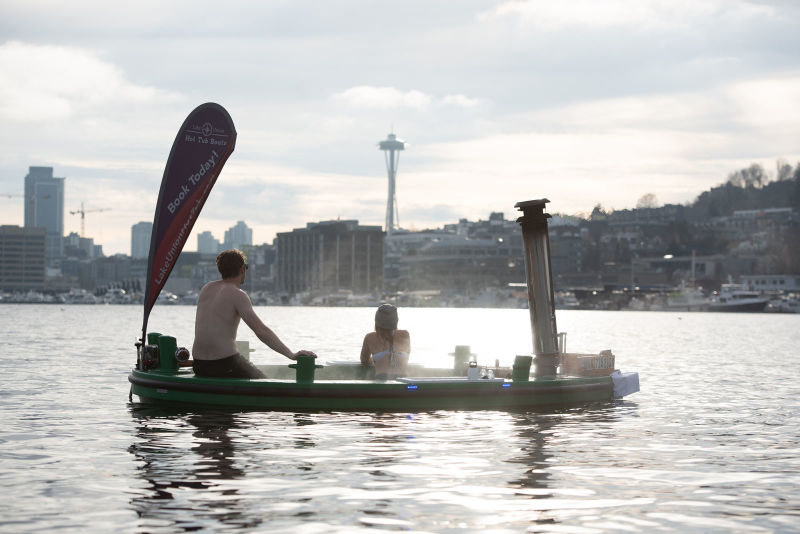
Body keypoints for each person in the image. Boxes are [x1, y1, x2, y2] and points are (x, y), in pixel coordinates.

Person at [192, 249, 316, 378]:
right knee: (265, 383)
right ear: (242, 269)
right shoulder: (238, 294)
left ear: (220, 270)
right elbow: (261, 331)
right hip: (225, 364)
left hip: (199, 365)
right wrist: (291, 355)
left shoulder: (206, 288)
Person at [360, 303, 410, 379]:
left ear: (376, 321)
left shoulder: (370, 337)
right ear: (396, 321)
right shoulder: (405, 335)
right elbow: (406, 358)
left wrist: (376, 360)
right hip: (403, 381)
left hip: (382, 380)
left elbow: (364, 361)